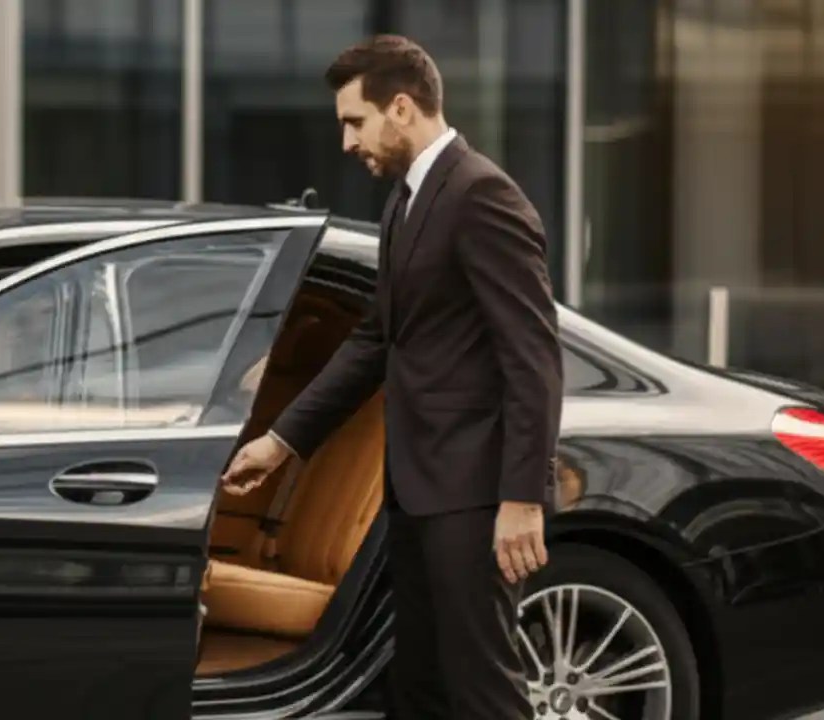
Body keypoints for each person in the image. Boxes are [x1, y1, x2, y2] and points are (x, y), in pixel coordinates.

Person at [220, 35, 563, 719]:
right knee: (423, 689)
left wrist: (521, 498)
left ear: (401, 107)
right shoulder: (407, 202)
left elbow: (533, 357)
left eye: (355, 121)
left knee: (482, 693)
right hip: (419, 492)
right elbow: (375, 340)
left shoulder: (481, 195)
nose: (347, 142)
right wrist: (283, 440)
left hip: (473, 498)